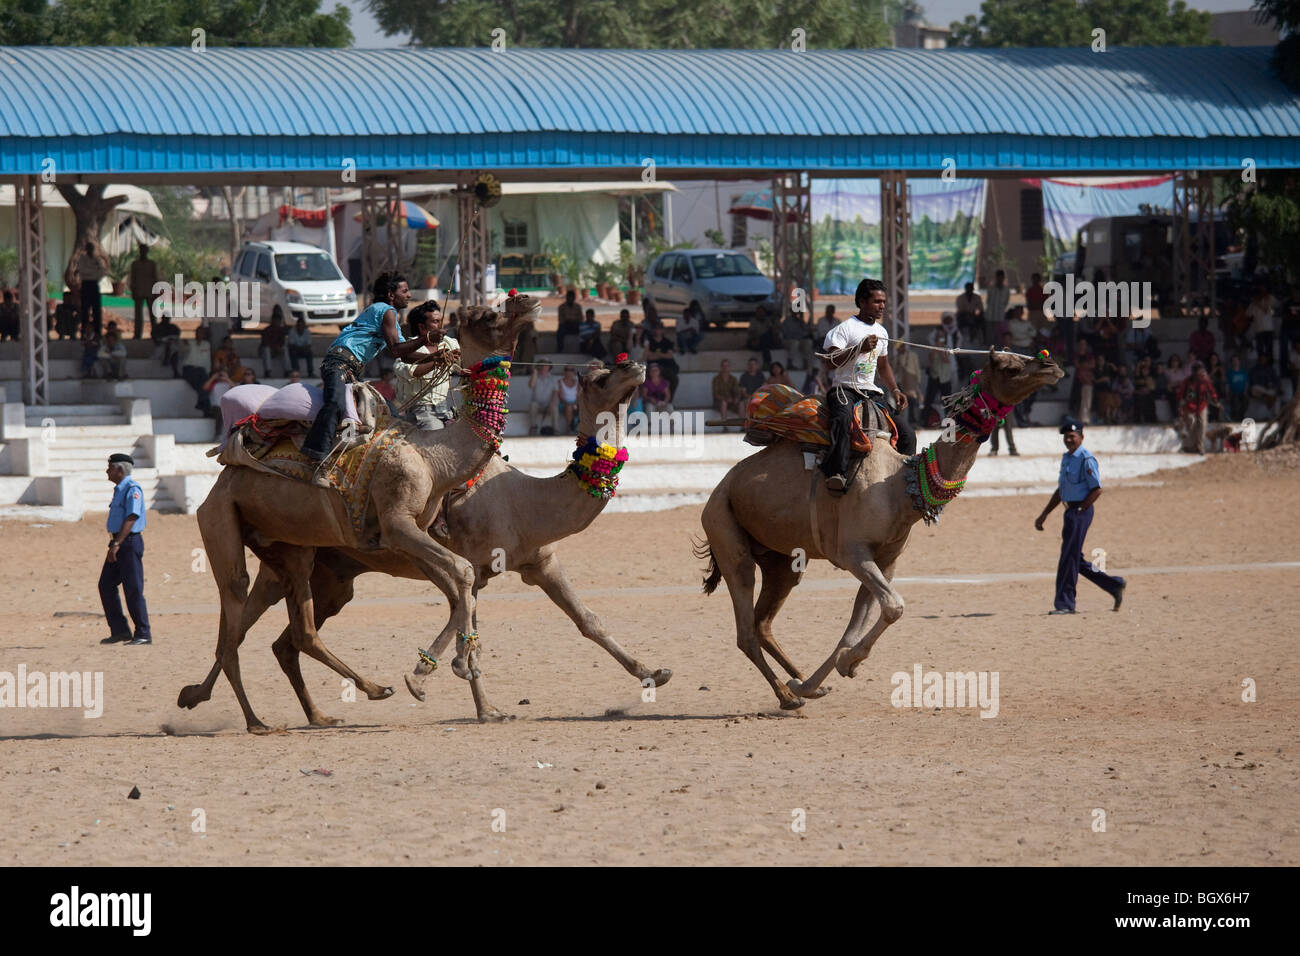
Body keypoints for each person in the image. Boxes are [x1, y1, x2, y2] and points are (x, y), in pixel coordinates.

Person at [302, 272, 429, 467]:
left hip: (351, 370)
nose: (409, 295)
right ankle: (316, 455)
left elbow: (405, 354)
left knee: (390, 411)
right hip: (338, 363)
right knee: (335, 403)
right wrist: (425, 340)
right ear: (390, 295)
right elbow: (396, 350)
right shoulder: (386, 310)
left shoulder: (390, 318)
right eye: (405, 291)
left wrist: (435, 357)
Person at [820, 277, 910, 491]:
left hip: (871, 393)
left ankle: (905, 478)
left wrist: (895, 389)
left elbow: (884, 366)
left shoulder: (882, 332)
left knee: (907, 433)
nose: (882, 306)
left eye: (884, 302)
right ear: (862, 302)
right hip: (844, 390)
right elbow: (831, 363)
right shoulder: (844, 329)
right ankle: (836, 472)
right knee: (842, 419)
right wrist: (858, 348)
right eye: (877, 301)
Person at [1034, 419, 1126, 615]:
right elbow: (1062, 490)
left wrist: (1080, 510)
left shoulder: (1086, 459)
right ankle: (1113, 585)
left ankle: (1065, 604)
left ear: (1081, 437)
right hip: (1070, 511)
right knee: (1074, 557)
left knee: (1068, 558)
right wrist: (1044, 514)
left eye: (1072, 436)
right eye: (1066, 436)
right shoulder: (1067, 458)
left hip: (1081, 511)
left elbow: (1097, 489)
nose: (1068, 439)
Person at [98, 453, 152, 645]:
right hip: (119, 542)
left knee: (133, 589)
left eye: (110, 467)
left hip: (127, 543)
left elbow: (132, 517)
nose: (107, 471)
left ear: (119, 470)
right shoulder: (120, 490)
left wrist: (117, 543)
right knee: (105, 585)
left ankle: (143, 633)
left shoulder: (132, 489)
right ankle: (120, 630)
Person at [393, 300, 459, 431]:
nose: (441, 327)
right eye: (435, 322)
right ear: (422, 327)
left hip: (445, 410)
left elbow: (465, 364)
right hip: (421, 412)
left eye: (441, 321)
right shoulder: (406, 350)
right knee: (437, 437)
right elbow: (413, 371)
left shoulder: (449, 343)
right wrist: (437, 361)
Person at [924, 315, 960, 424]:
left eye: (941, 337)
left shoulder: (947, 348)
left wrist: (941, 348)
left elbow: (946, 360)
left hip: (944, 377)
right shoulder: (933, 348)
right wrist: (936, 347)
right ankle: (925, 420)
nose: (940, 339)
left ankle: (949, 421)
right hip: (935, 376)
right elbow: (930, 359)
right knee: (929, 400)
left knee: (947, 401)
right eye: (938, 337)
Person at [1176, 361, 1218, 453]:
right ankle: (1189, 446)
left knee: (1202, 425)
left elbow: (1211, 390)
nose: (1199, 372)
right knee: (1190, 423)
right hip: (1189, 406)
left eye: (1200, 369)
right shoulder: (1187, 381)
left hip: (1202, 405)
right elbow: (1181, 393)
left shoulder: (1205, 380)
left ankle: (1199, 446)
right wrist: (1181, 401)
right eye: (1197, 370)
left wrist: (1214, 398)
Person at [76, 241, 108, 338]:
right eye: (88, 248)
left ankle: (97, 333)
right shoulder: (82, 258)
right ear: (86, 249)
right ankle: (84, 333)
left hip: (94, 285)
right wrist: (93, 271)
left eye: (91, 248)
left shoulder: (97, 259)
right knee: (85, 310)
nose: (90, 250)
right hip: (85, 285)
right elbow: (81, 271)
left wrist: (90, 272)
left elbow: (102, 272)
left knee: (96, 310)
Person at [128, 243, 159, 340]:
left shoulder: (152, 264)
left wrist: (156, 291)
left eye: (144, 250)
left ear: (147, 251)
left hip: (150, 291)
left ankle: (155, 333)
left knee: (152, 314)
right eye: (141, 250)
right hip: (138, 291)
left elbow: (155, 277)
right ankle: (137, 334)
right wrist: (133, 290)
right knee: (138, 315)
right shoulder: (135, 264)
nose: (143, 252)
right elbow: (132, 278)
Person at [892, 339, 923, 427]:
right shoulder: (896, 358)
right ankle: (900, 423)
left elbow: (917, 369)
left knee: (913, 403)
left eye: (901, 347)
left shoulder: (913, 355)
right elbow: (894, 372)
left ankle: (913, 421)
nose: (900, 349)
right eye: (898, 348)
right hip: (901, 383)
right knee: (900, 404)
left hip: (911, 384)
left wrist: (918, 383)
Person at [643, 325, 680, 397]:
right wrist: (663, 354)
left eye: (659, 329)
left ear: (663, 330)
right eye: (656, 329)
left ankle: (669, 401)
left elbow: (670, 356)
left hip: (668, 366)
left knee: (674, 379)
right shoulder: (649, 341)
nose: (657, 331)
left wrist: (657, 354)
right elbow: (648, 357)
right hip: (654, 367)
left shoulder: (667, 341)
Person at [1245, 284, 1276, 366]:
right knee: (1260, 350)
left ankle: (1270, 367)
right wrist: (1253, 303)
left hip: (1269, 329)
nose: (1262, 292)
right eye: (1260, 291)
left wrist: (1258, 303)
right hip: (1259, 330)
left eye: (1263, 290)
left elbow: (1267, 310)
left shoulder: (1270, 298)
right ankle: (1261, 367)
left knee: (1269, 350)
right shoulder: (1254, 303)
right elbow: (1247, 314)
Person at [527, 358, 560, 435]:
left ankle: (556, 430)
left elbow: (555, 393)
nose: (543, 367)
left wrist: (551, 404)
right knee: (532, 405)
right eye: (541, 365)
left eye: (545, 365)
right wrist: (535, 372)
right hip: (537, 404)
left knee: (555, 407)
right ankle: (533, 427)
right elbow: (531, 385)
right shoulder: (535, 376)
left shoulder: (553, 378)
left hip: (548, 404)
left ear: (549, 367)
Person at [712, 358, 743, 430]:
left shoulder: (733, 379)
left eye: (727, 366)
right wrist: (726, 399)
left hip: (731, 402)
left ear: (729, 367)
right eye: (723, 366)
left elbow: (737, 391)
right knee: (724, 403)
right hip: (719, 402)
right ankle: (724, 426)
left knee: (741, 403)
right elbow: (715, 394)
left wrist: (736, 398)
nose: (725, 368)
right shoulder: (716, 379)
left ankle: (743, 427)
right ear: (721, 367)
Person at [1248, 352, 1281, 417]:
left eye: (1264, 359)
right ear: (1259, 360)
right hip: (1260, 389)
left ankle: (1276, 415)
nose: (1263, 360)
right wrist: (1263, 385)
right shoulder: (1255, 369)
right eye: (1261, 359)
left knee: (1277, 397)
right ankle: (1267, 397)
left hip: (1269, 390)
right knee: (1254, 388)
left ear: (1266, 359)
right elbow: (1252, 381)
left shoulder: (1271, 369)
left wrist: (1273, 385)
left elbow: (1277, 380)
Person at [259, 312, 290, 378]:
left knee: (285, 349)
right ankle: (268, 371)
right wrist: (274, 347)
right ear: (272, 321)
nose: (277, 322)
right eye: (275, 320)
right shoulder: (266, 330)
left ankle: (287, 371)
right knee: (266, 349)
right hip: (267, 351)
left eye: (278, 321)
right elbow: (265, 343)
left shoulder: (281, 330)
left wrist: (278, 348)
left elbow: (282, 342)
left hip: (277, 350)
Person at [151, 312, 181, 377]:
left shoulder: (173, 327)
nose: (166, 319)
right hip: (161, 347)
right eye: (164, 318)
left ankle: (175, 371)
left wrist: (170, 340)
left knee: (174, 350)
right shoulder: (157, 328)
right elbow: (155, 339)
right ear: (162, 318)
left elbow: (177, 336)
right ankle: (166, 359)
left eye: (167, 318)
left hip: (172, 346)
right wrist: (162, 341)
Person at [557, 365, 581, 433]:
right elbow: (560, 397)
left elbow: (579, 396)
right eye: (567, 369)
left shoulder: (577, 382)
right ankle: (570, 428)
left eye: (571, 370)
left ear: (574, 371)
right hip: (563, 404)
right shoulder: (560, 382)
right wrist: (570, 404)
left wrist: (575, 403)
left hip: (575, 403)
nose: (569, 371)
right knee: (569, 407)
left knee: (583, 407)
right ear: (564, 371)